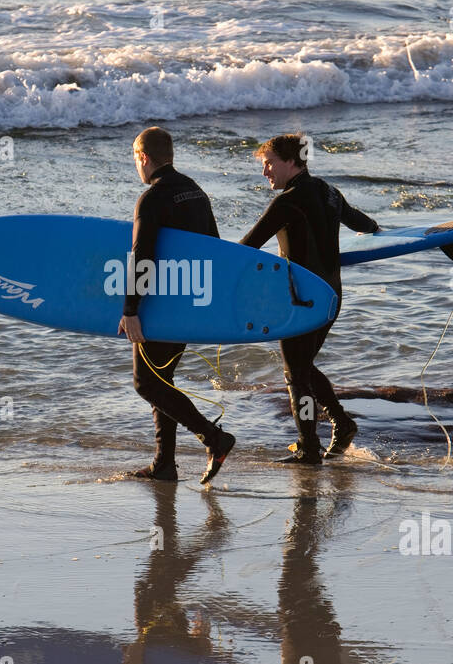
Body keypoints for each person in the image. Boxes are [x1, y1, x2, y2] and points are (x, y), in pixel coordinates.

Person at [240, 133, 379, 465]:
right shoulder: (329, 192)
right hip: (332, 297)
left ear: (291, 161)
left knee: (295, 374)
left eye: (269, 163)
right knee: (302, 366)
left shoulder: (287, 201)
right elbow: (366, 224)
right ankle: (340, 424)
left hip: (301, 302)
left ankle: (308, 446)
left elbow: (247, 247)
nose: (265, 172)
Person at [118, 126, 235, 485]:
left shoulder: (151, 198)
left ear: (144, 158)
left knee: (146, 384)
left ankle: (214, 438)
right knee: (162, 381)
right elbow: (214, 247)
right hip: (189, 304)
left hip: (161, 306)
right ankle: (164, 465)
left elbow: (142, 256)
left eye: (135, 160)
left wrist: (130, 309)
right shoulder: (195, 192)